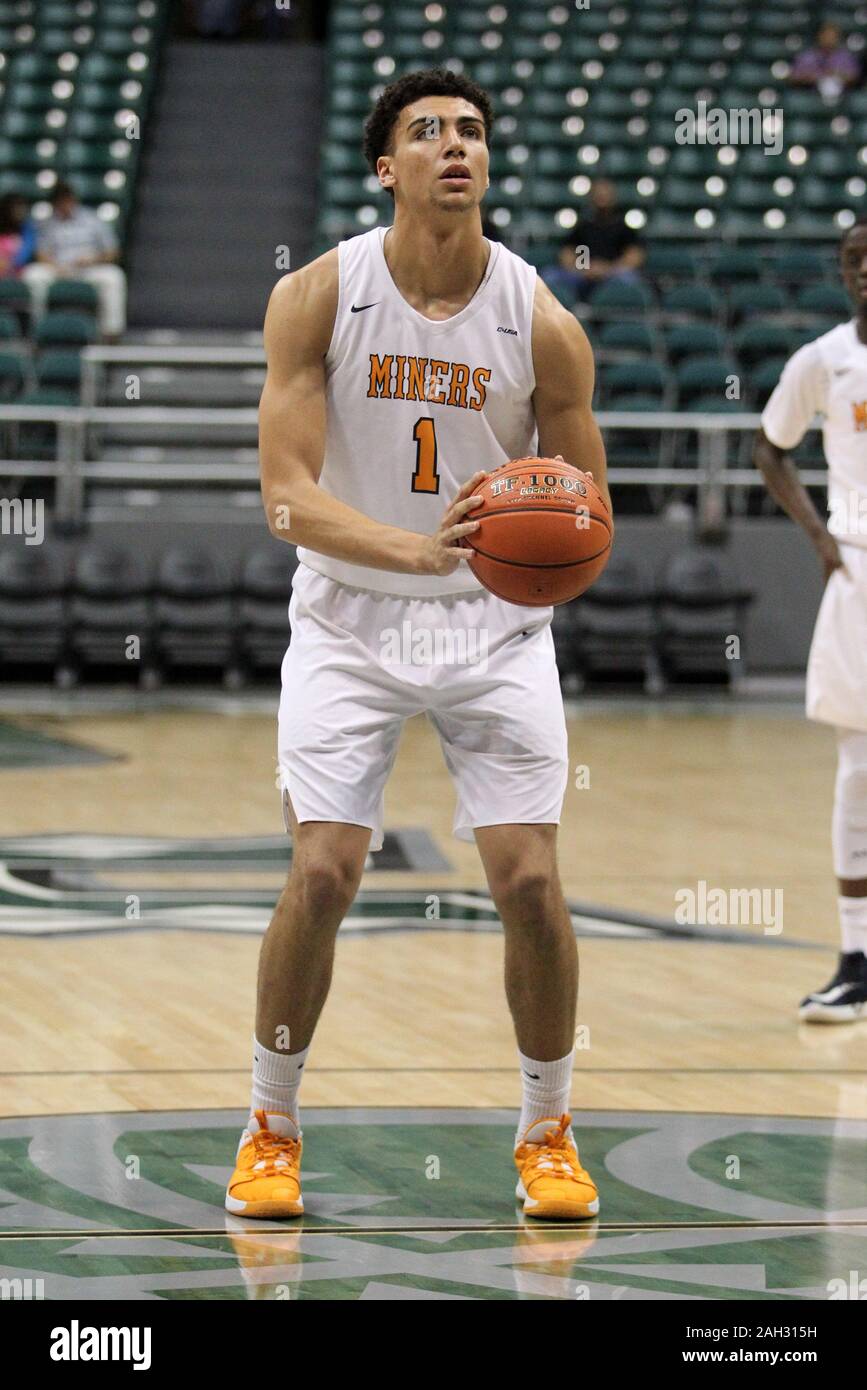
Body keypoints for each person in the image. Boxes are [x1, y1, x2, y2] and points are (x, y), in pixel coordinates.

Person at [225, 67, 612, 1222]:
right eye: (429, 132)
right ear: (385, 166)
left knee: (531, 881)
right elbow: (286, 499)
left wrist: (548, 535)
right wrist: (413, 550)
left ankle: (547, 1128)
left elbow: (589, 503)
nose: (457, 147)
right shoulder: (317, 296)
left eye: (474, 132)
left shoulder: (541, 319)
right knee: (324, 868)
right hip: (351, 613)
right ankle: (270, 1124)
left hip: (494, 621)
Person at [754, 217, 867, 1024]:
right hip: (859, 568)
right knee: (858, 767)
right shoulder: (822, 361)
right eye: (856, 260)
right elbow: (770, 447)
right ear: (842, 270)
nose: (866, 271)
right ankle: (857, 959)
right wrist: (820, 537)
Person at [21, 181, 126, 340]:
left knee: (113, 276)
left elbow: (113, 251)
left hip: (88, 269)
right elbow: (40, 253)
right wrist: (54, 266)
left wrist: (94, 259)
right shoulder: (47, 223)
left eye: (67, 200)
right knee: (32, 275)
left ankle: (111, 332)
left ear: (73, 200)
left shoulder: (92, 219)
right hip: (58, 269)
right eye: (60, 201)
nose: (65, 205)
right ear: (55, 203)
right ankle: (38, 326)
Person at [542, 177, 645, 306]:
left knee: (629, 279)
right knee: (550, 275)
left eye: (605, 194)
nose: (602, 198)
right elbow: (567, 253)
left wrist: (607, 269)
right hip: (582, 274)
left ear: (613, 197)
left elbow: (634, 256)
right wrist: (583, 269)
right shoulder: (583, 227)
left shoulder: (624, 228)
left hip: (613, 274)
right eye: (598, 194)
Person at [789, 23, 860, 99]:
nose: (829, 39)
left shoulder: (846, 57)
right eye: (826, 36)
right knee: (791, 100)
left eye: (832, 36)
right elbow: (794, 77)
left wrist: (836, 75)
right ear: (820, 36)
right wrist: (816, 77)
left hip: (842, 95)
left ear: (838, 38)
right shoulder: (807, 56)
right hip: (809, 94)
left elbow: (855, 77)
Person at [0, 193, 37, 276]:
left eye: (22, 207)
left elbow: (27, 250)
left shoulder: (27, 228)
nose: (20, 211)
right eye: (16, 207)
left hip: (19, 270)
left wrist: (10, 263)